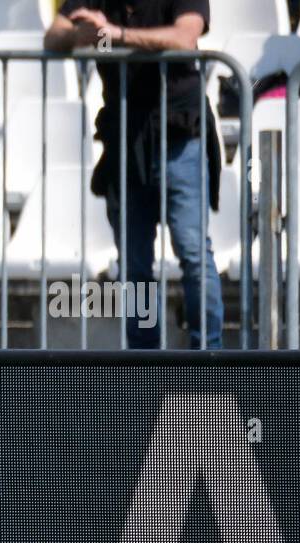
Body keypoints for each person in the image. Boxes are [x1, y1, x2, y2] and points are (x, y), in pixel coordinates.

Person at [45, 0, 224, 349]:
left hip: (180, 136)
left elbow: (185, 36)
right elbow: (52, 39)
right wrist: (85, 34)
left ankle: (209, 362)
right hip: (125, 142)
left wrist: (117, 35)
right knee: (134, 268)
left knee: (193, 255)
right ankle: (143, 368)